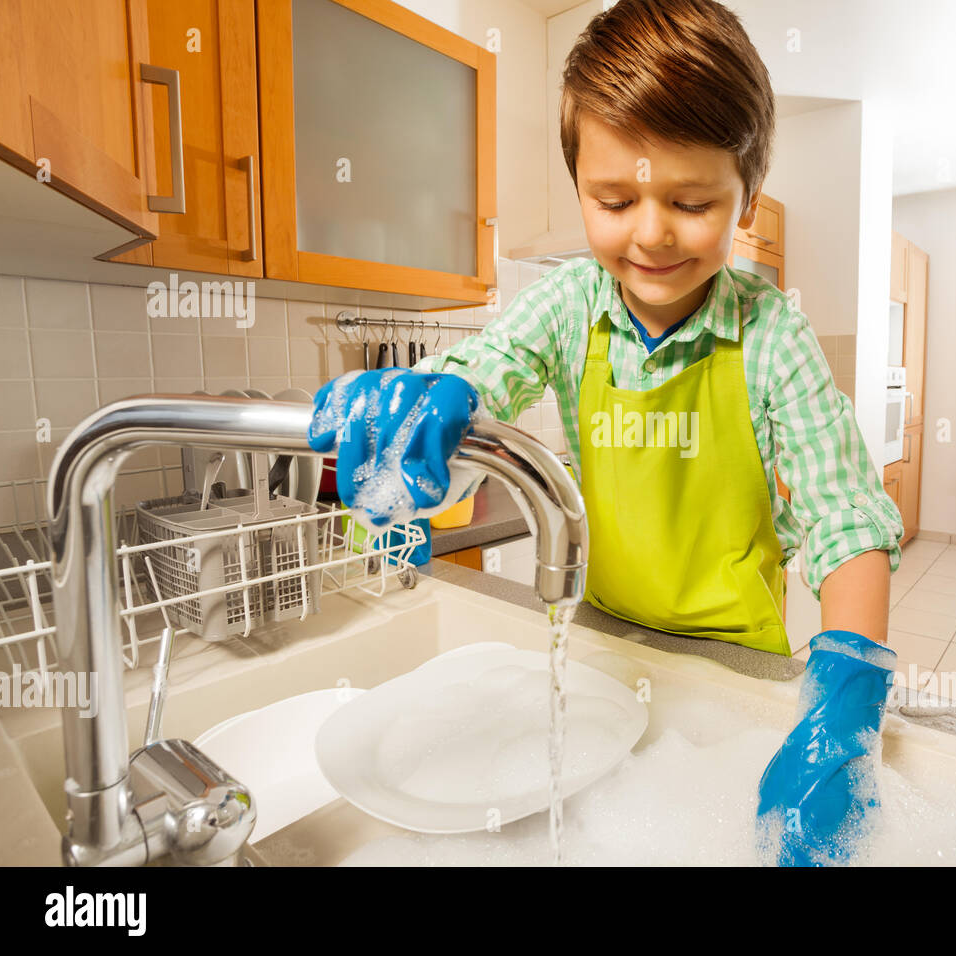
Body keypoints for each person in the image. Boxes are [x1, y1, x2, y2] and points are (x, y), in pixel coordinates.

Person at [308, 0, 903, 866]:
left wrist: (846, 705)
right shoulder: (566, 305)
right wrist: (433, 398)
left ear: (747, 197)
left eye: (693, 202)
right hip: (601, 651)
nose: (651, 234)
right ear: (579, 184)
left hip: (738, 673)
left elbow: (846, 521)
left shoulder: (773, 333)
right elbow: (489, 368)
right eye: (615, 199)